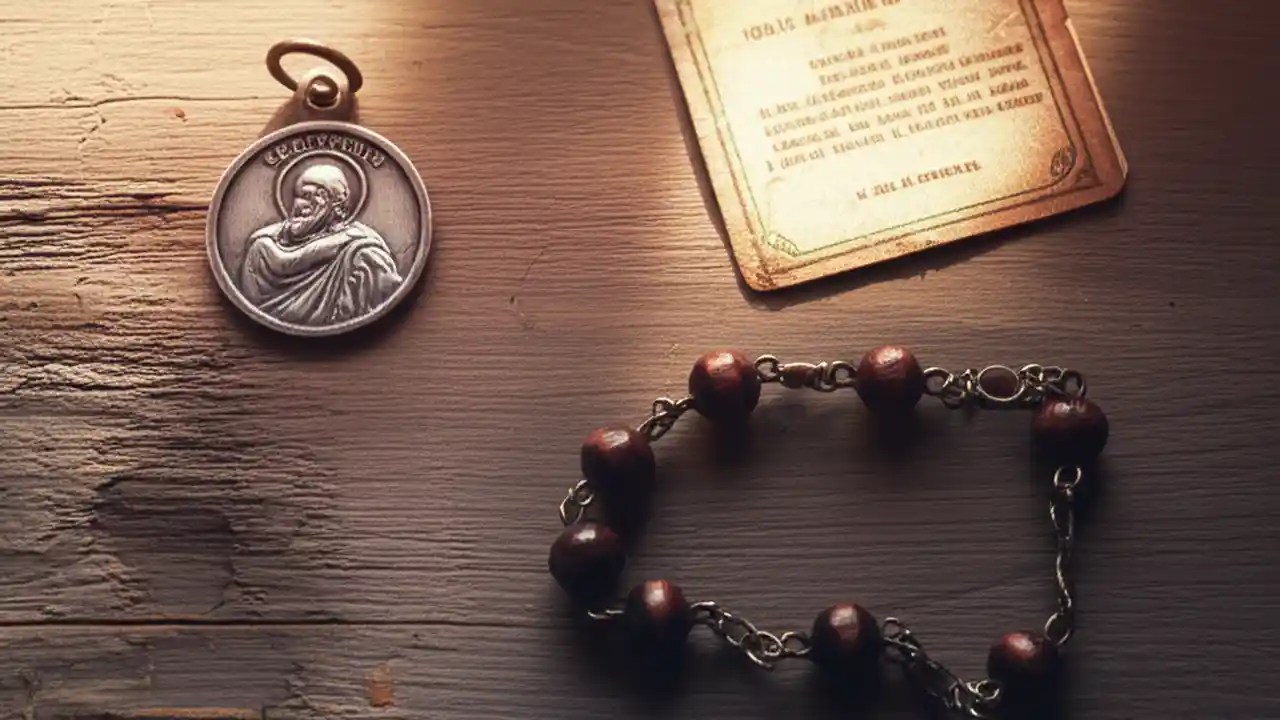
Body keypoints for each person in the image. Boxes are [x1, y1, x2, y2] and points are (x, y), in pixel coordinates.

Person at [240, 163, 401, 325]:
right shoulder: (262, 249)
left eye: (310, 196)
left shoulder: (363, 255)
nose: (298, 206)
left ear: (336, 205)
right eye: (297, 196)